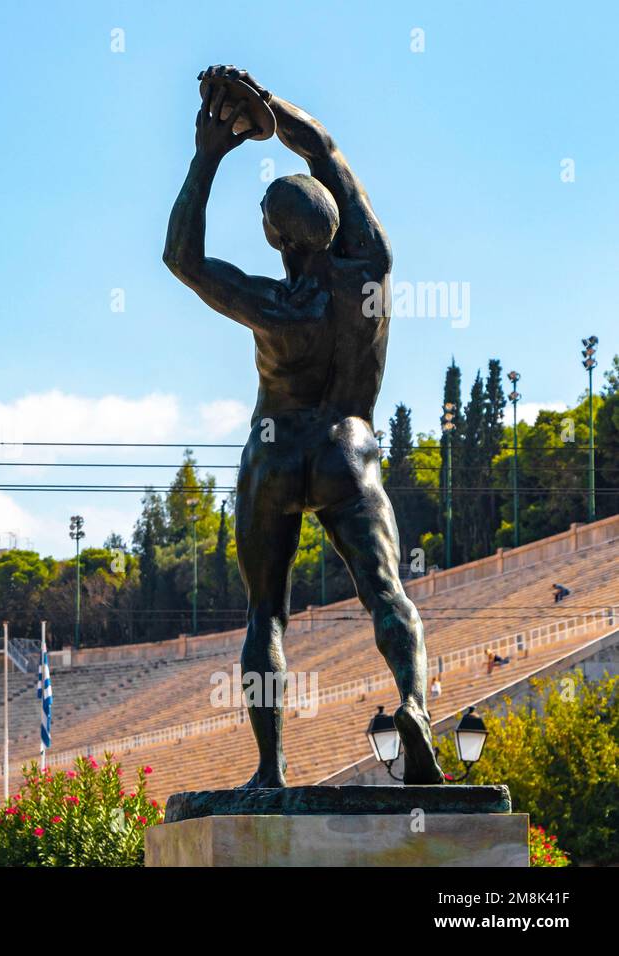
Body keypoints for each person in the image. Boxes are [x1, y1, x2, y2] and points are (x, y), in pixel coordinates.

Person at [163, 65, 443, 785]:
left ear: (275, 237)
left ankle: (270, 770)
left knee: (268, 616)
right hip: (349, 449)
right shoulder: (372, 264)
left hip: (276, 453)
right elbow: (324, 147)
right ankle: (414, 706)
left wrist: (209, 153)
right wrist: (268, 107)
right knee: (387, 592)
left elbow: (182, 260)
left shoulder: (273, 304)